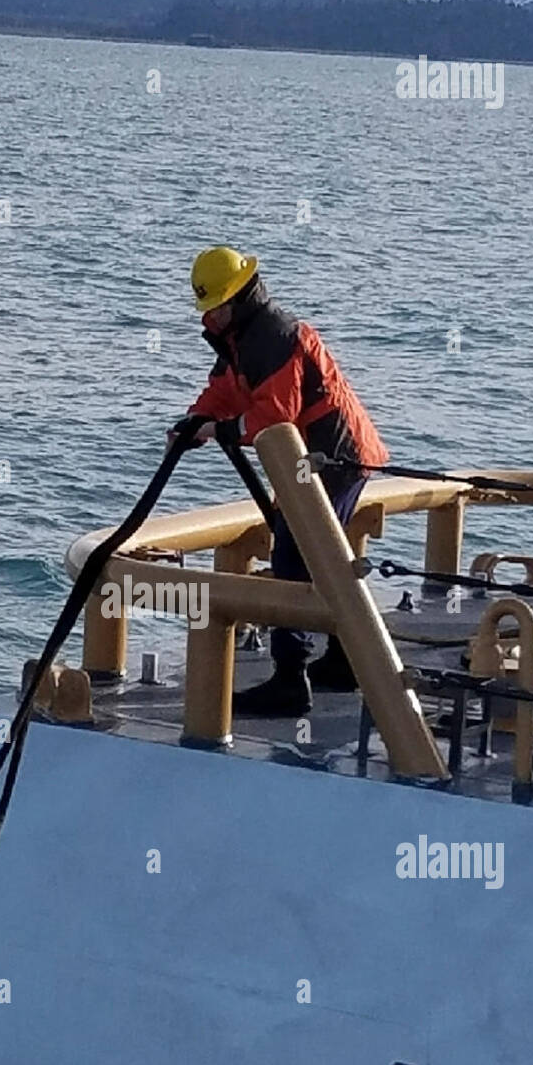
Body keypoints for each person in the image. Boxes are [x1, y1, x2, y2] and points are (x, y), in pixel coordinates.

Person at [177, 247, 389, 717]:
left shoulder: (271, 337)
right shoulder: (242, 337)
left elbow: (274, 419)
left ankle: (292, 680)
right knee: (323, 556)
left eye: (213, 306)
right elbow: (226, 390)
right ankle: (341, 661)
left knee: (297, 556)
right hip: (318, 461)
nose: (208, 315)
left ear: (234, 299)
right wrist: (196, 419)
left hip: (335, 460)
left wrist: (217, 430)